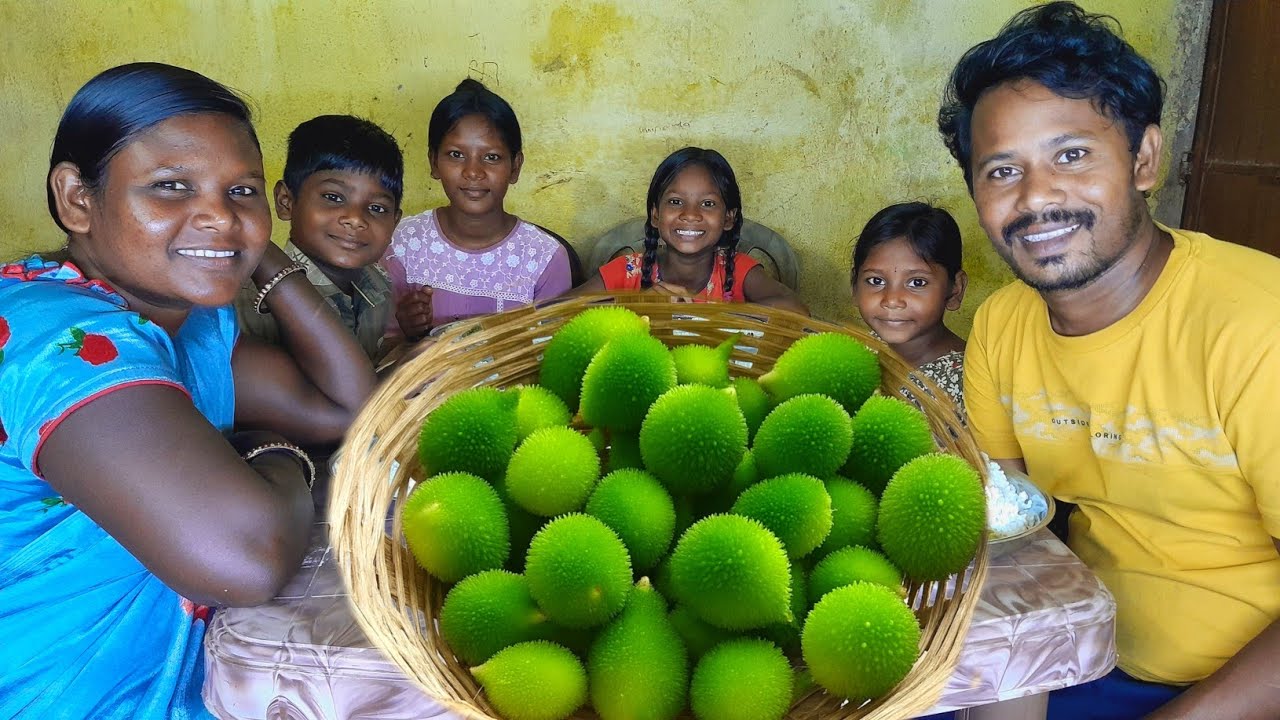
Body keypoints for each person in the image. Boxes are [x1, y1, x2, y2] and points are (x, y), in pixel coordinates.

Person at [0, 63, 376, 718]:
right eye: (171, 187)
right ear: (76, 199)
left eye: (243, 191)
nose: (218, 215)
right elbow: (245, 558)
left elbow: (346, 405)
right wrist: (272, 453)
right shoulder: (63, 343)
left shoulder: (189, 326)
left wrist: (257, 252)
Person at [938, 3, 1280, 718]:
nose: (1036, 197)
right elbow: (1011, 532)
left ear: (1145, 159)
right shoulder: (1002, 327)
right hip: (1080, 657)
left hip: (1238, 689)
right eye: (1002, 170)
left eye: (1071, 155)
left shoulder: (1256, 325)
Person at [382, 79, 572, 340]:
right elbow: (379, 353)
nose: (473, 172)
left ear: (515, 167)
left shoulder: (544, 259)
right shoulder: (403, 244)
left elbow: (550, 358)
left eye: (491, 157)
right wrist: (407, 331)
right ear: (433, 162)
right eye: (456, 155)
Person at [235, 114, 403, 363]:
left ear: (395, 221)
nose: (355, 219)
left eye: (377, 208)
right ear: (286, 202)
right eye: (334, 197)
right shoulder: (257, 302)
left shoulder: (378, 285)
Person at [577, 147, 808, 314]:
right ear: (656, 215)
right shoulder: (628, 270)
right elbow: (555, 311)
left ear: (729, 218)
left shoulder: (737, 270)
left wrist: (715, 315)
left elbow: (796, 309)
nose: (690, 214)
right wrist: (635, 306)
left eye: (708, 204)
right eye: (676, 202)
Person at [851, 202, 967, 409]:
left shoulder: (970, 379)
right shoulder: (855, 354)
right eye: (876, 281)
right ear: (854, 285)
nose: (892, 300)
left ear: (955, 289)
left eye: (917, 282)